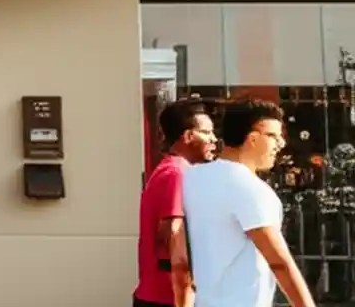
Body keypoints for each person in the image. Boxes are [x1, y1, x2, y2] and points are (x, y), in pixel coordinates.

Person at [176, 98, 315, 307]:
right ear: (252, 138)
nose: (281, 144)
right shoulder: (250, 188)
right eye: (273, 136)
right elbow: (279, 262)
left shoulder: (193, 178)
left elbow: (180, 258)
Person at [133, 98, 217, 307]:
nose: (214, 139)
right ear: (188, 136)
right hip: (168, 297)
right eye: (207, 132)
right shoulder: (177, 173)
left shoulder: (173, 170)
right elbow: (173, 237)